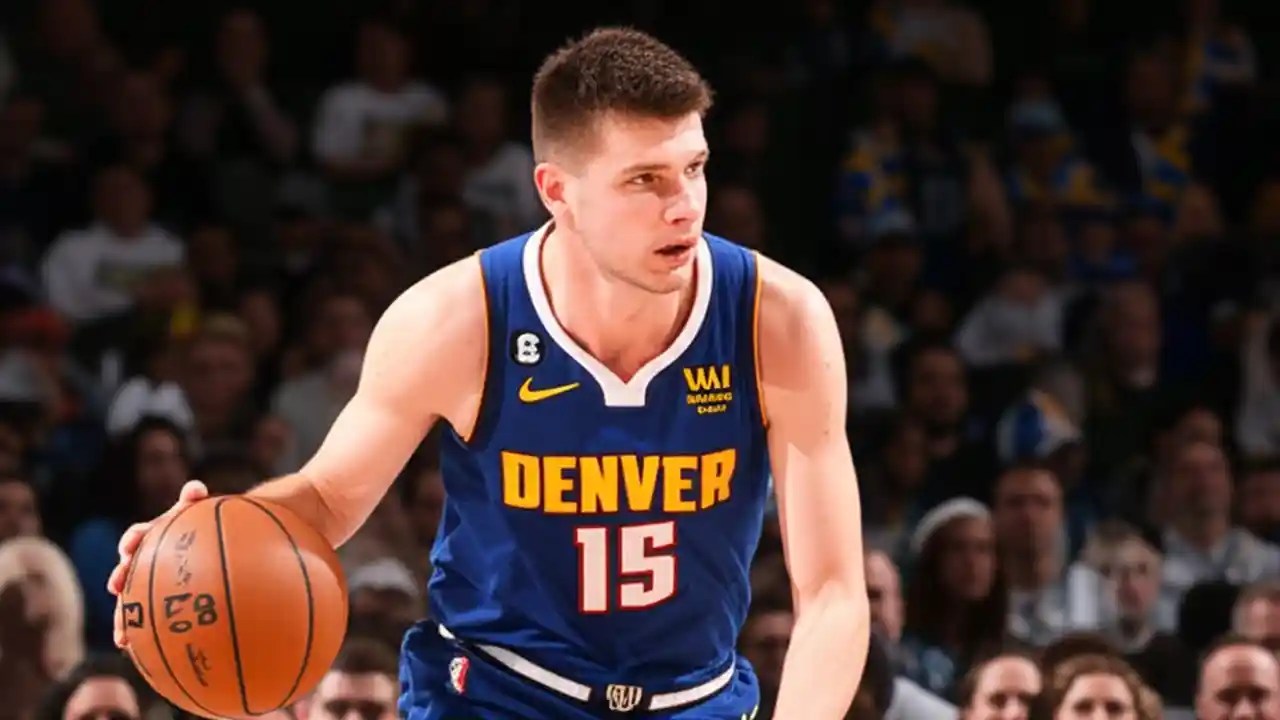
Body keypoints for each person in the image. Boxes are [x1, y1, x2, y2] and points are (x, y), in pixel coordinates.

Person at [108, 26, 870, 719]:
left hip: (692, 699)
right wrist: (198, 547)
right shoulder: (457, 320)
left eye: (694, 168)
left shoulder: (776, 321)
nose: (685, 207)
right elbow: (330, 498)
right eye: (645, 180)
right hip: (497, 693)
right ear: (557, 191)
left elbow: (834, 591)